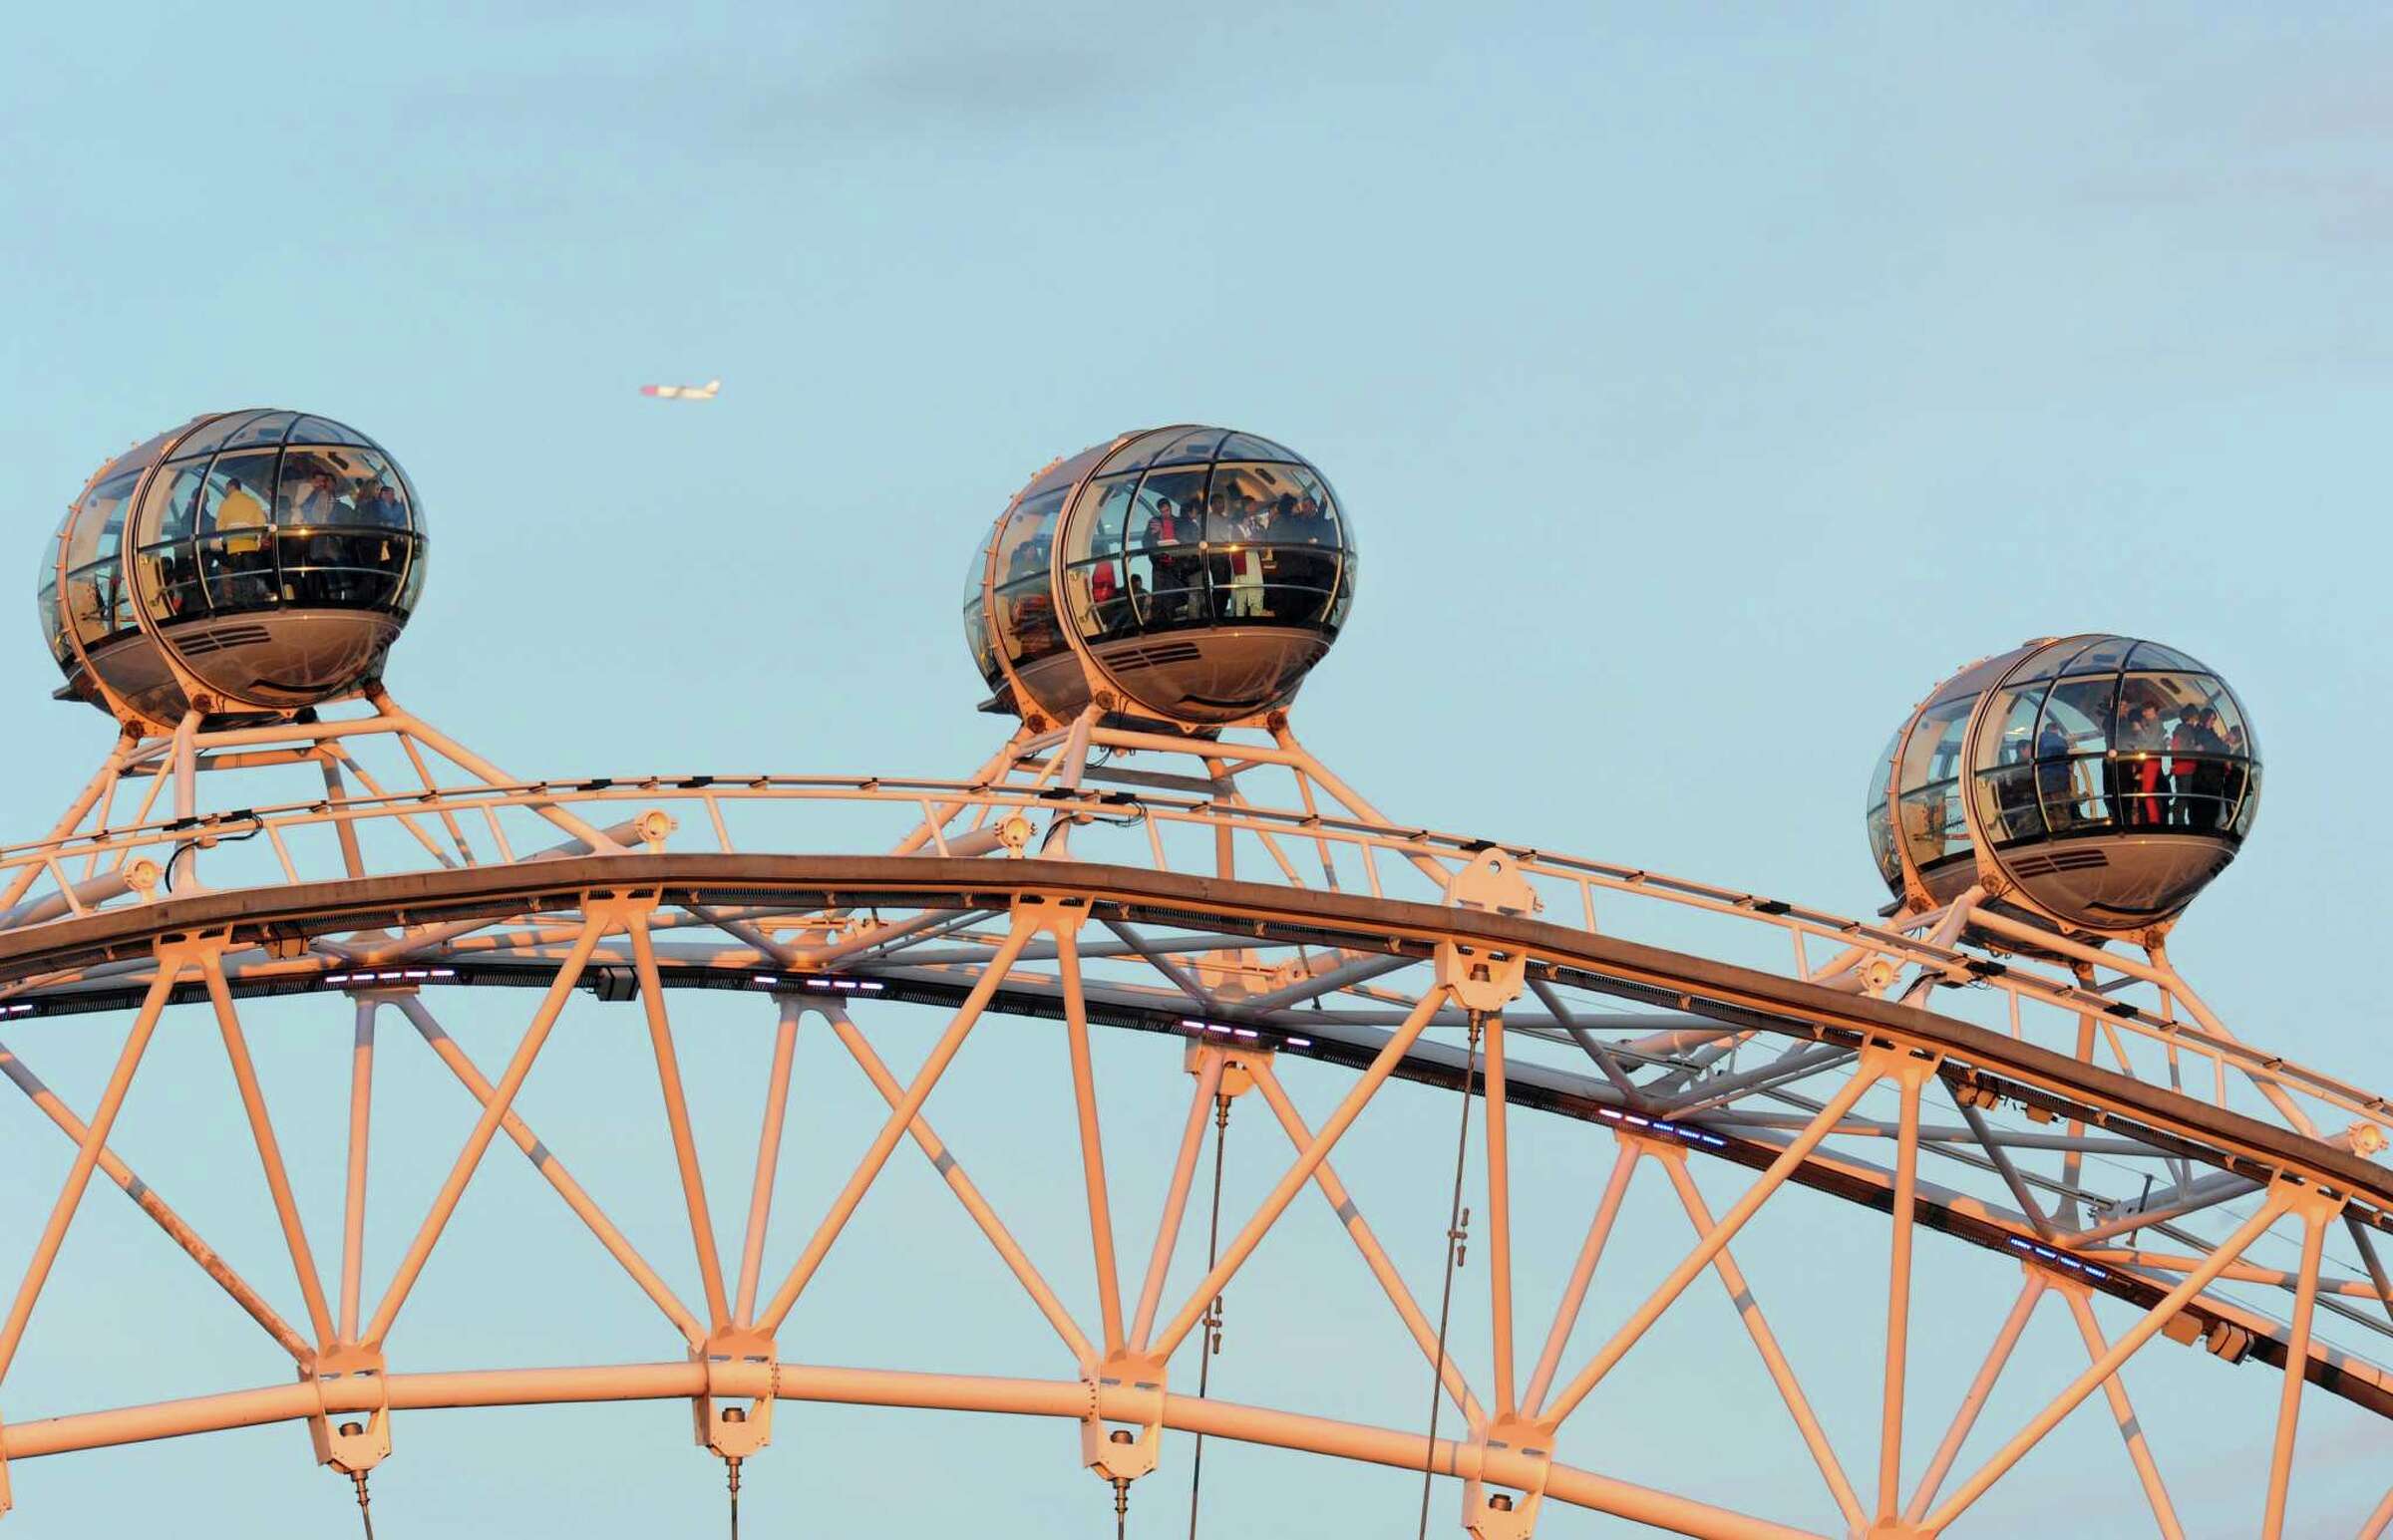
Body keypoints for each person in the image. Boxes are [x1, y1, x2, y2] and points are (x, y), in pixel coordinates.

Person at [2117, 703, 2165, 827]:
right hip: (2151, 759)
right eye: (2144, 711)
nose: (2145, 713)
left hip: (2151, 759)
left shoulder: (2155, 724)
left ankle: (2153, 820)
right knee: (2147, 790)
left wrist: (2138, 735)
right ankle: (2152, 818)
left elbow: (2148, 742)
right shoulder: (2154, 724)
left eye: (2147, 710)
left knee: (2147, 791)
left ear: (2153, 711)